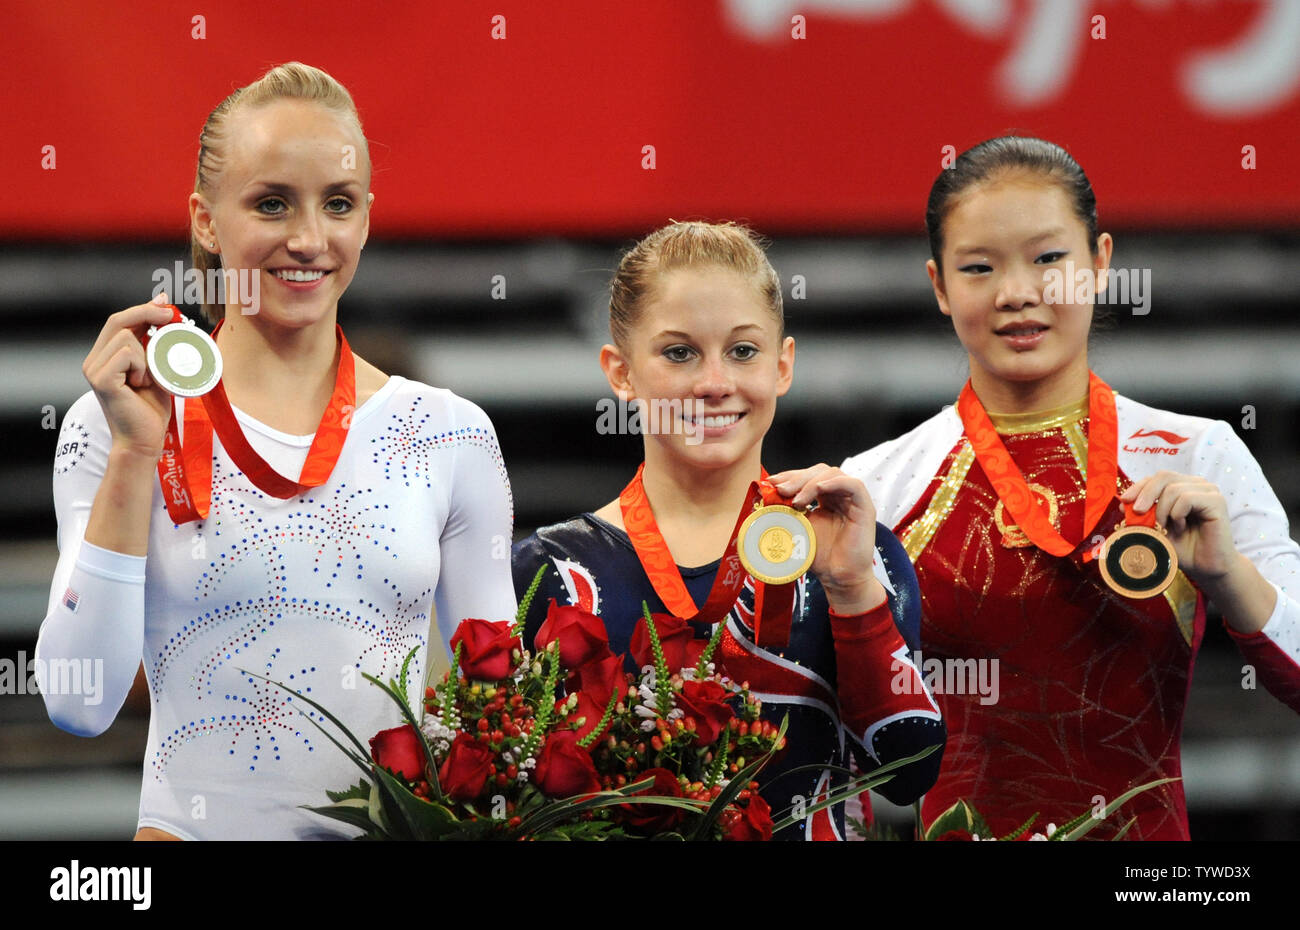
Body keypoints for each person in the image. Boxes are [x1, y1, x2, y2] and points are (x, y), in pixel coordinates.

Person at [36, 62, 516, 840]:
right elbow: (77, 702)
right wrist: (133, 454)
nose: (309, 239)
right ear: (205, 220)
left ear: (367, 216)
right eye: (271, 204)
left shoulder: (448, 433)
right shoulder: (116, 423)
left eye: (338, 204)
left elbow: (504, 714)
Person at [842, 136, 1300, 840]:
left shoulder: (1196, 455)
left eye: (1049, 258)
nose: (1017, 292)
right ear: (939, 286)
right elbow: (842, 743)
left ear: (1100, 263)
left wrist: (1230, 576)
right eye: (978, 267)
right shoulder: (877, 485)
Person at [512, 221, 945, 840]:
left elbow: (908, 772)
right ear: (620, 372)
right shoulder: (547, 570)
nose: (714, 383)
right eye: (678, 352)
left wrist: (852, 594)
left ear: (783, 365)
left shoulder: (853, 554)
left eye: (743, 351)